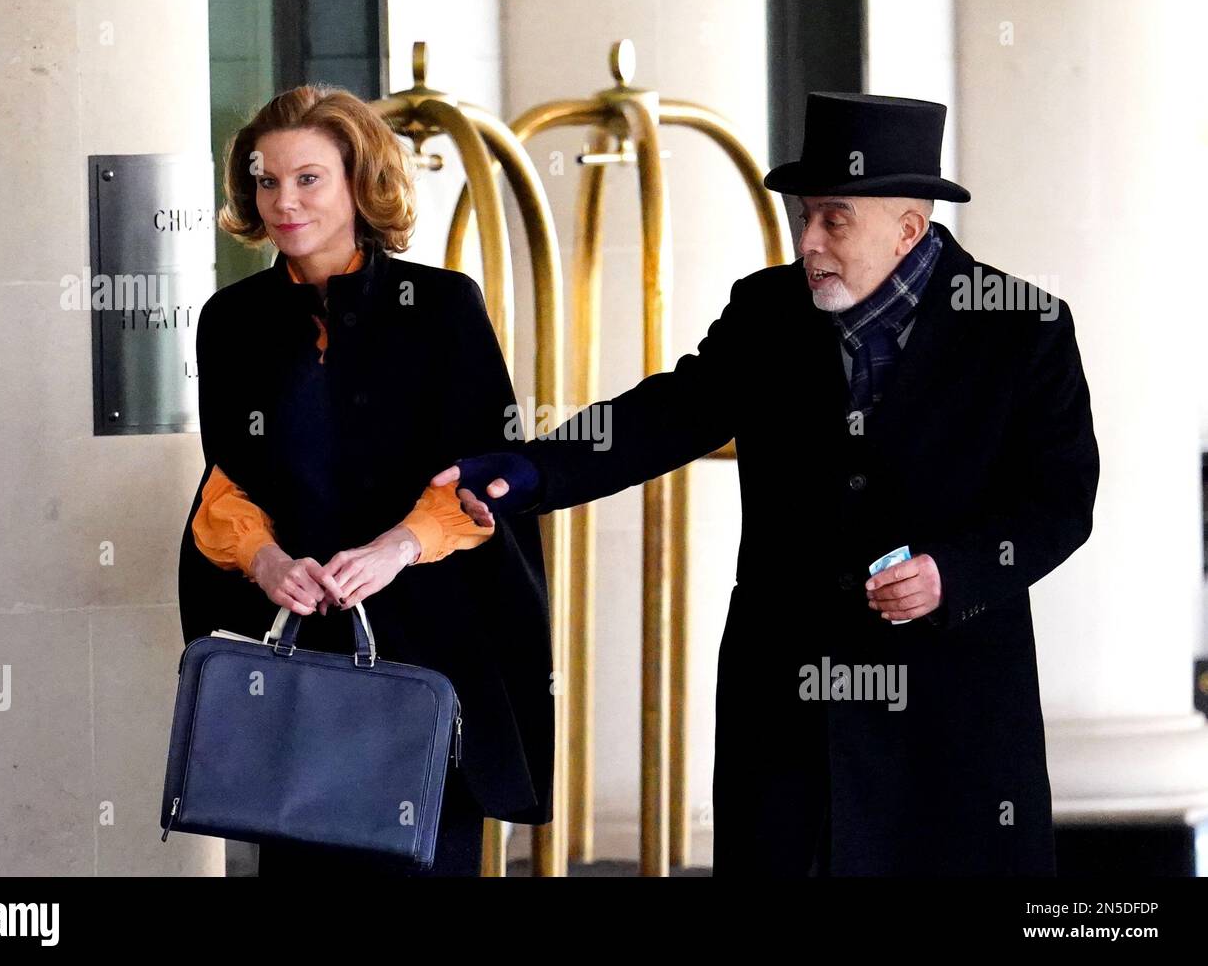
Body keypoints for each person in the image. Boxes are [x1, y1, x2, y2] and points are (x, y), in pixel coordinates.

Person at [431, 93, 1101, 876]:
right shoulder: (768, 311)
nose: (808, 241)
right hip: (785, 715)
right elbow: (669, 413)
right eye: (803, 215)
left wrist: (955, 570)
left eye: (834, 219)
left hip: (946, 723)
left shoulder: (1023, 326)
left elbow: (1060, 499)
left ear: (908, 229)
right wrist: (535, 467)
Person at [175, 84, 554, 877]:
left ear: (359, 184)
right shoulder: (231, 320)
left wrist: (397, 546)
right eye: (265, 179)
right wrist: (266, 561)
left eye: (308, 177)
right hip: (298, 655)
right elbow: (226, 483)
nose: (283, 200)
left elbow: (482, 478)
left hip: (429, 654)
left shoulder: (443, 308)